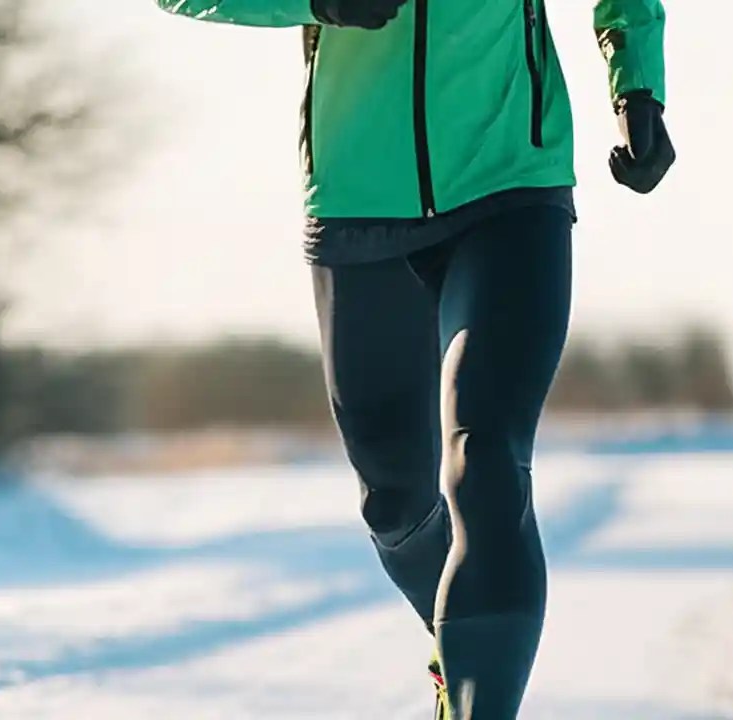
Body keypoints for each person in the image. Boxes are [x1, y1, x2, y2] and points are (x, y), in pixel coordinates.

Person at [155, 0, 674, 717]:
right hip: (357, 204)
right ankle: (459, 649)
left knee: (487, 456)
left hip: (510, 184)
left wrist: (637, 85)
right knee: (395, 503)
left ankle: (476, 705)